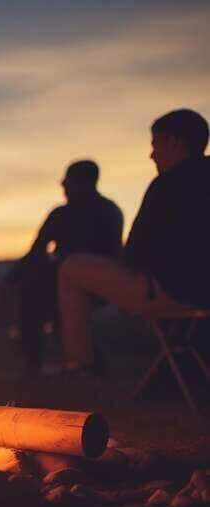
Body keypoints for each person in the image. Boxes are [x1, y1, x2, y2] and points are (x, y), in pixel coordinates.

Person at [58, 108, 210, 373]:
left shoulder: (167, 184)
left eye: (155, 145)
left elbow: (136, 252)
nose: (152, 154)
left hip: (174, 291)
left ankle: (79, 364)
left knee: (71, 268)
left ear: (173, 142)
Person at [6, 161, 123, 373]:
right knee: (40, 298)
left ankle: (35, 367)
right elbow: (37, 252)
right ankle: (84, 364)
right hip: (97, 284)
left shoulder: (66, 214)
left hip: (82, 285)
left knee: (32, 303)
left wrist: (9, 282)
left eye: (67, 181)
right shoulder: (111, 211)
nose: (64, 186)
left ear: (84, 182)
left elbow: (36, 252)